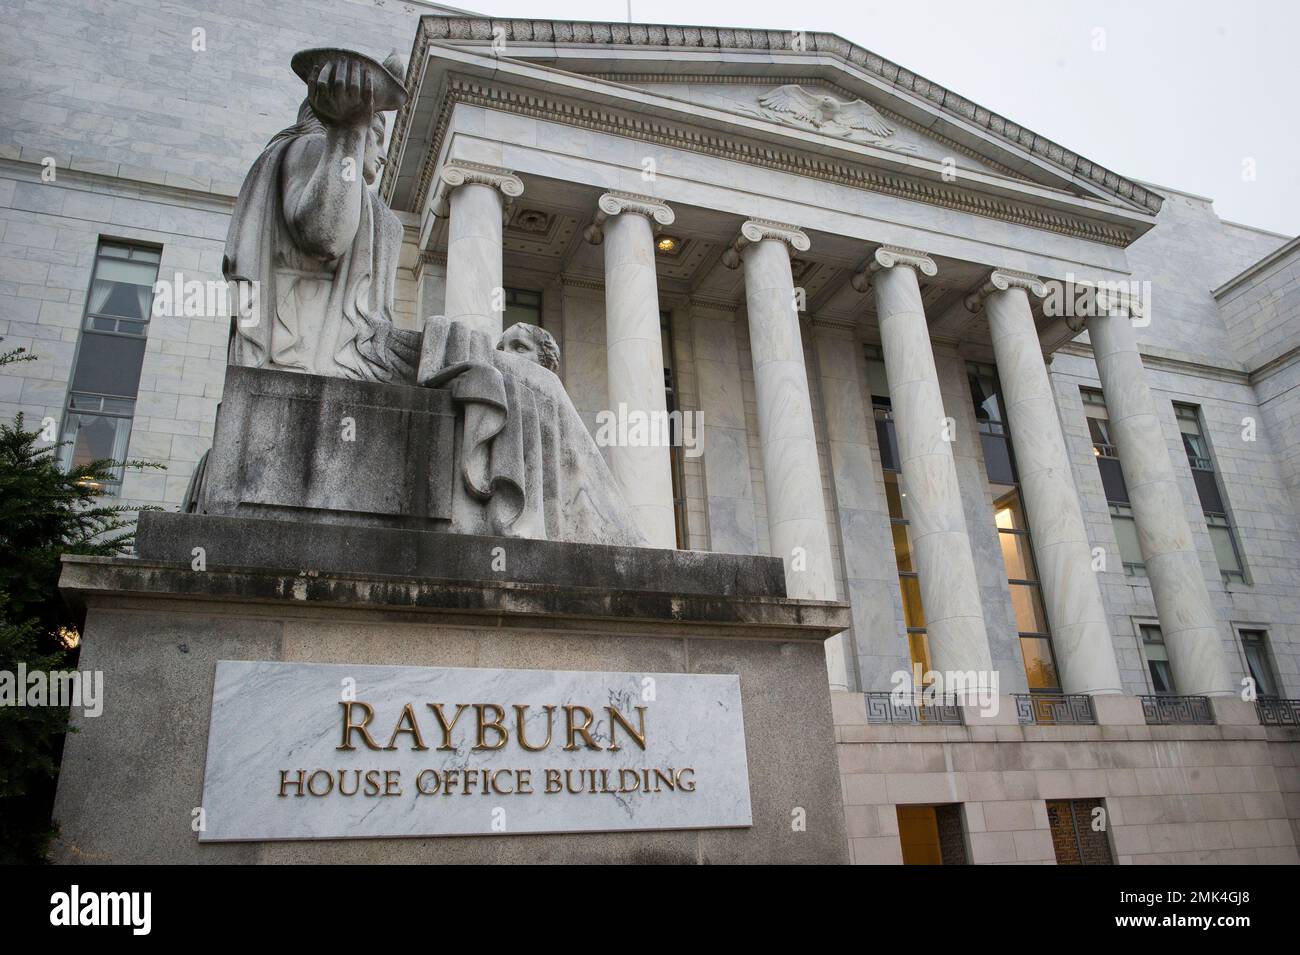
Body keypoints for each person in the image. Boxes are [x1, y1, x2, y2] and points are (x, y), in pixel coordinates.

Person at [222, 48, 418, 382]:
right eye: (379, 137)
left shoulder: (358, 190)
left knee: (464, 358)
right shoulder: (314, 148)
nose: (383, 155)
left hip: (350, 349)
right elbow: (324, 237)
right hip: (316, 356)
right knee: (468, 368)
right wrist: (350, 131)